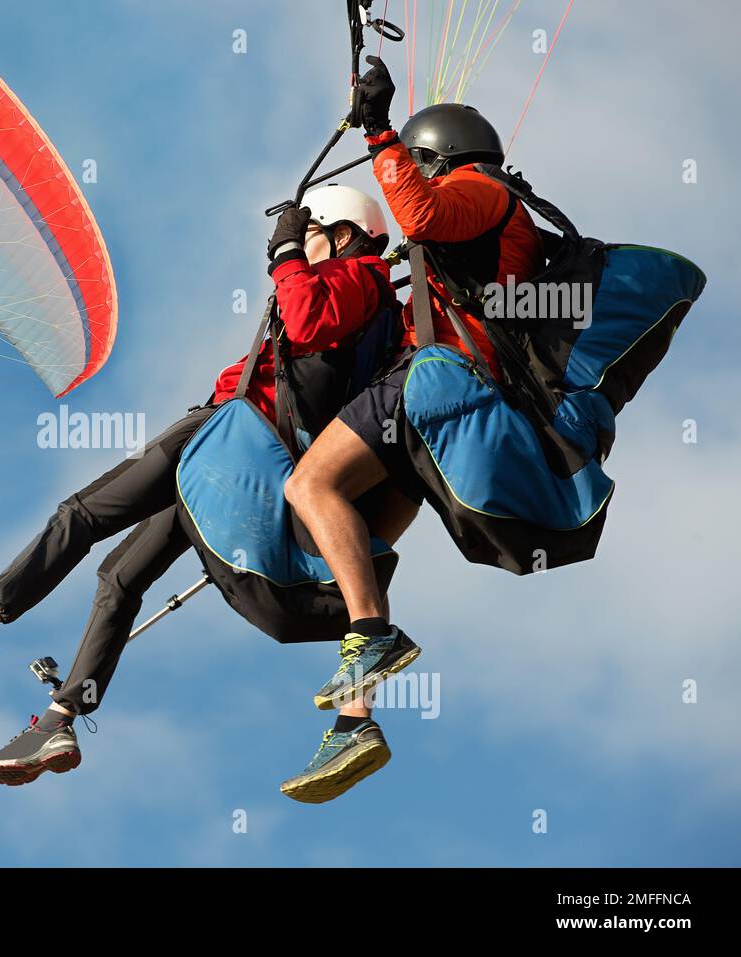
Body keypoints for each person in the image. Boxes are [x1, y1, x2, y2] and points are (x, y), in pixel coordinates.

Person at [0, 185, 397, 786]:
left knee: (80, 513)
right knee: (120, 577)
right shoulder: (375, 302)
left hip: (229, 433)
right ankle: (61, 719)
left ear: (340, 235)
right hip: (242, 456)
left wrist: (286, 252)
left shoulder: (359, 277)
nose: (299, 247)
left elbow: (308, 319)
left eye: (312, 233)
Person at [279, 57, 544, 803]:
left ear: (439, 160)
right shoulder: (484, 230)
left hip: (442, 383)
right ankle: (355, 722)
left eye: (417, 166)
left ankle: (377, 642)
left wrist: (376, 130)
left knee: (310, 484)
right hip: (456, 402)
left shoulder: (484, 192)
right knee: (355, 540)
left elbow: (423, 214)